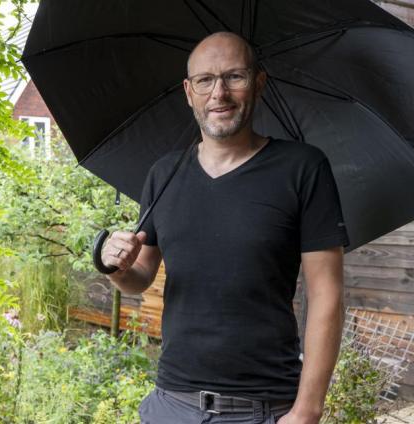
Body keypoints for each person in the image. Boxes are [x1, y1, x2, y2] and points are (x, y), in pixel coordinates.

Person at [101, 32, 348, 424]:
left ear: (259, 83)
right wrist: (117, 268)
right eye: (205, 80)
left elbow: (326, 293)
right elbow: (140, 276)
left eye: (235, 77)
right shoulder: (164, 173)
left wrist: (308, 409)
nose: (219, 93)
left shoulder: (302, 168)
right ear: (188, 92)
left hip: (263, 408)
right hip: (171, 405)